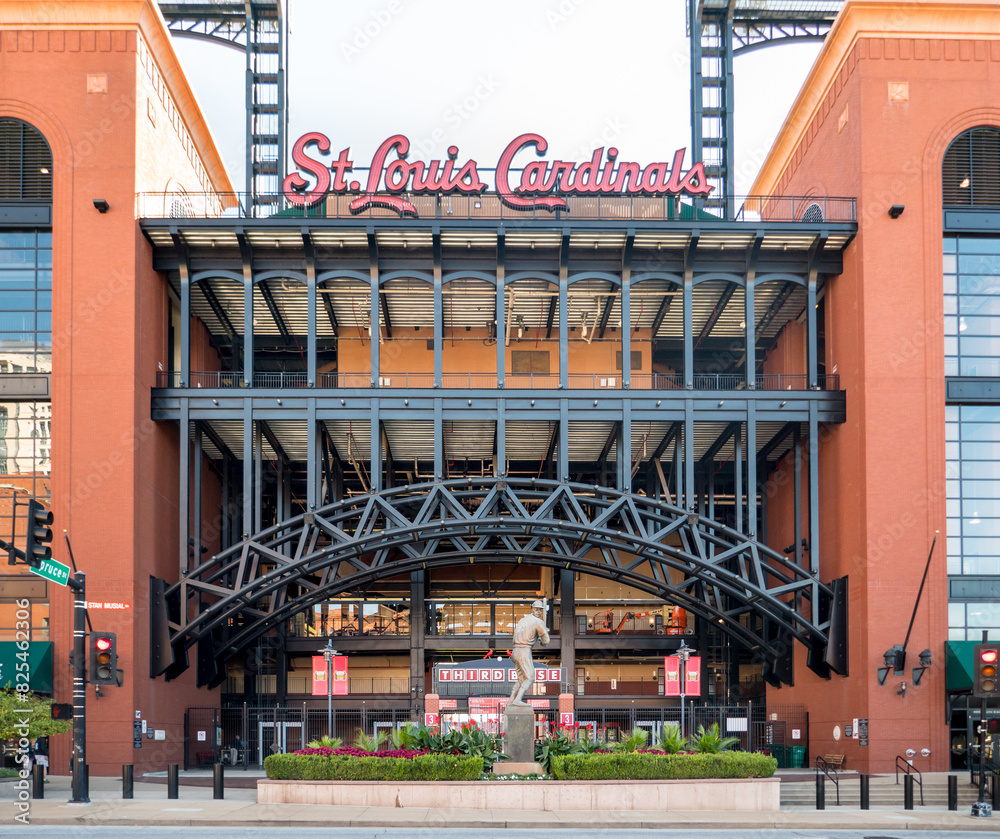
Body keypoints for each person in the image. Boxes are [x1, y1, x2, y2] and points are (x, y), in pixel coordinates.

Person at [507, 600, 550, 706]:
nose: (539, 612)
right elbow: (546, 640)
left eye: (540, 610)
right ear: (532, 609)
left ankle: (511, 701)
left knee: (522, 678)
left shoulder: (523, 620)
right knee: (530, 677)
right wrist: (542, 642)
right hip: (524, 650)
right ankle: (517, 700)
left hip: (515, 651)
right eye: (537, 609)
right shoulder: (538, 622)